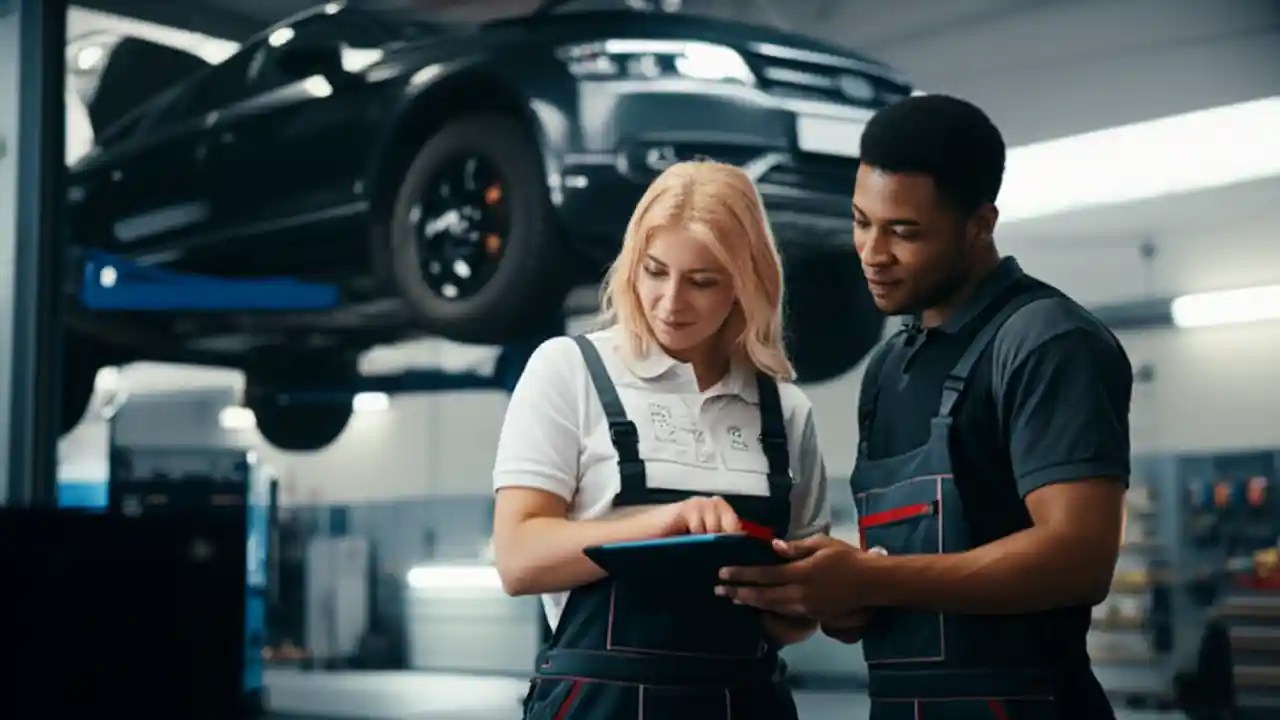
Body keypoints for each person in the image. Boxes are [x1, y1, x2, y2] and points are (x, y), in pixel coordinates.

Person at [717, 94, 1135, 719]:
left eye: (904, 232)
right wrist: (828, 597)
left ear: (979, 225)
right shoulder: (890, 369)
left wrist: (870, 580)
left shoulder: (1045, 343)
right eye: (861, 222)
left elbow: (1080, 559)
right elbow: (884, 592)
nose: (872, 253)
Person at [491, 160, 831, 719]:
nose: (671, 303)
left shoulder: (785, 410)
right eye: (654, 271)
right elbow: (519, 560)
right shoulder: (569, 370)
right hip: (601, 702)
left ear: (747, 285)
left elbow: (795, 620)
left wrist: (801, 599)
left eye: (702, 282)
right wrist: (663, 524)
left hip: (744, 701)